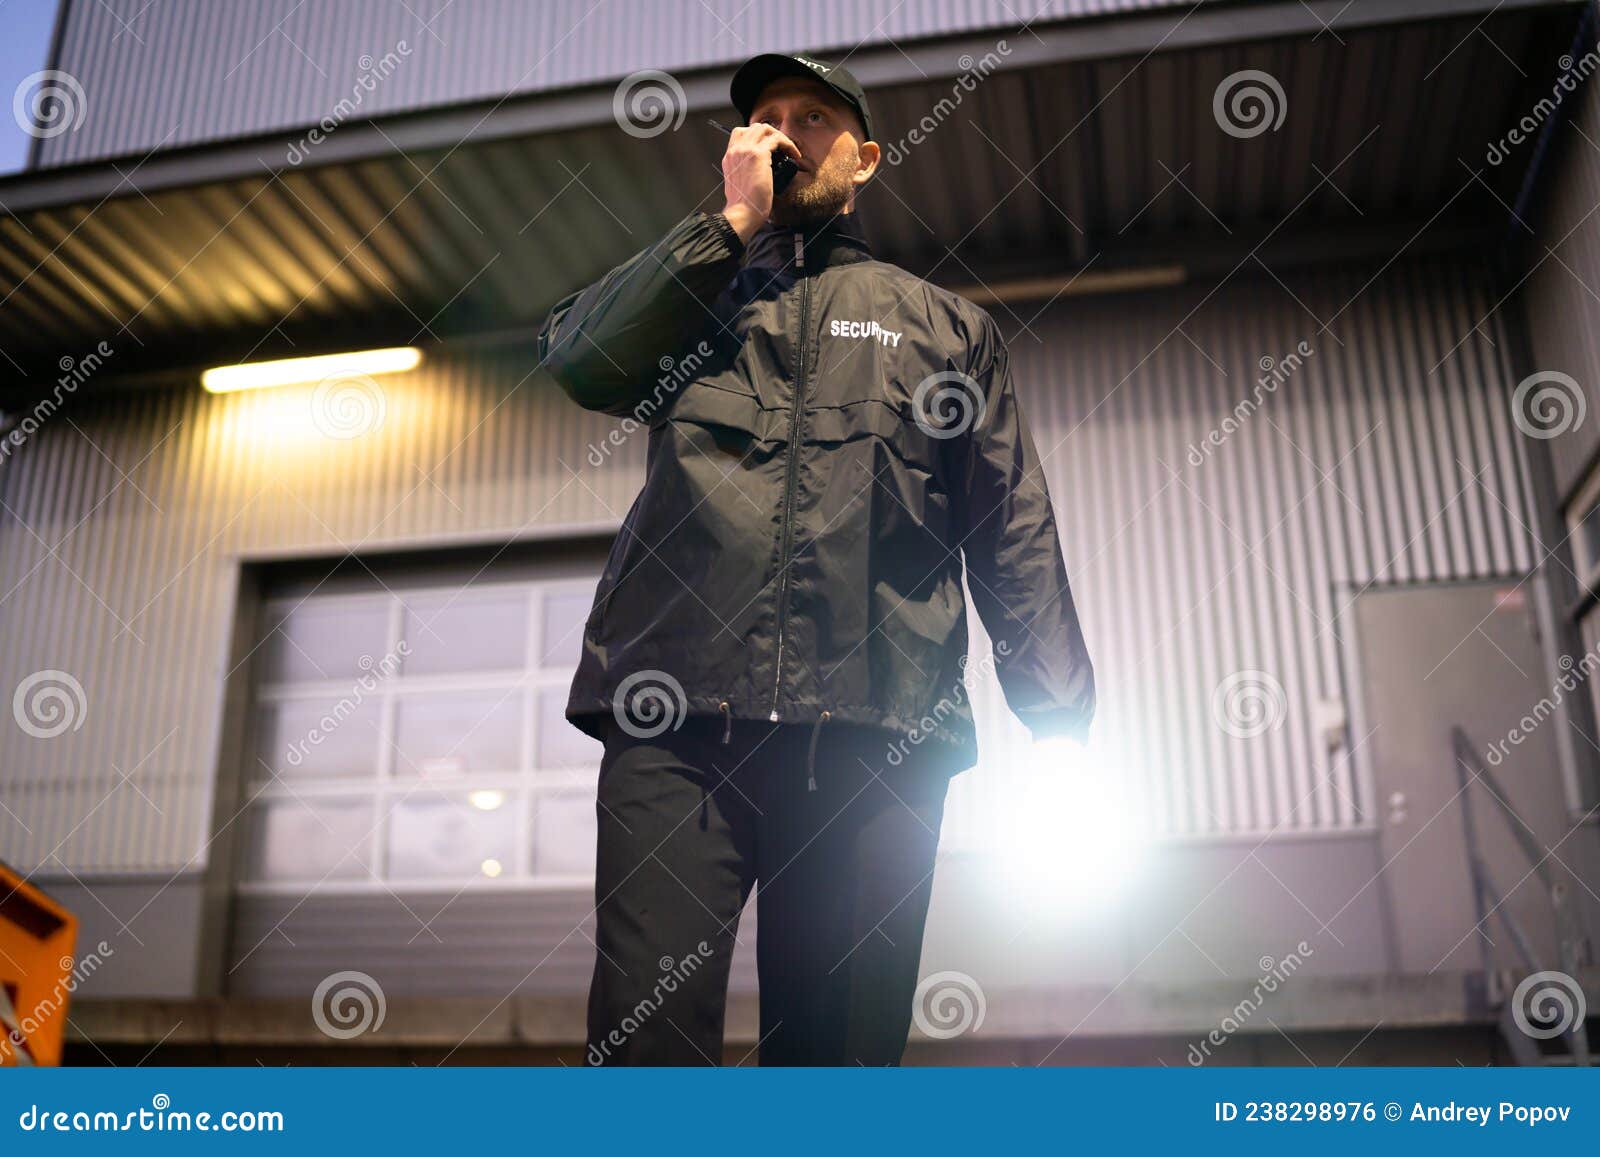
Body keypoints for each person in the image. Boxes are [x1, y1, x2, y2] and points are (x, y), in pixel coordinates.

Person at [537, 51, 1096, 1066]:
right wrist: (729, 225)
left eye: (814, 118)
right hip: (677, 726)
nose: (786, 134)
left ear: (866, 158)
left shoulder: (945, 331)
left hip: (876, 734)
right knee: (643, 1047)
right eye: (767, 118)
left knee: (838, 1061)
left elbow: (1008, 519)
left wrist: (1055, 713)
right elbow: (580, 359)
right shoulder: (691, 300)